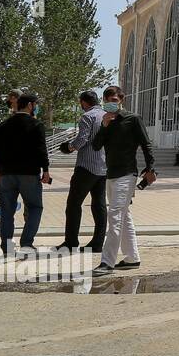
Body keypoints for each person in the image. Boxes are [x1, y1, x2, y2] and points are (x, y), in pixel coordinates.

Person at [91, 86, 154, 275]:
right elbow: (95, 146)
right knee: (124, 216)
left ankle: (107, 261)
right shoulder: (106, 121)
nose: (111, 103)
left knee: (115, 216)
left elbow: (146, 143)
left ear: (121, 100)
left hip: (127, 174)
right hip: (110, 174)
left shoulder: (132, 119)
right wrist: (104, 126)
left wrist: (150, 168)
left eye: (114, 100)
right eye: (107, 100)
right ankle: (132, 258)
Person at [0, 92, 51, 256]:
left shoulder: (3, 125)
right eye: (35, 104)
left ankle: (7, 247)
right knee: (35, 207)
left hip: (7, 174)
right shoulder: (36, 125)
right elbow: (41, 150)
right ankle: (26, 243)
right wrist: (45, 170)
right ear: (30, 105)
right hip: (29, 174)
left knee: (6, 211)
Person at [57, 90, 108, 251]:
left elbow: (82, 139)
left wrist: (69, 147)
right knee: (99, 205)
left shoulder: (88, 116)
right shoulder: (106, 115)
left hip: (86, 167)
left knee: (73, 204)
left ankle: (71, 242)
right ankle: (98, 242)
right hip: (103, 167)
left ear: (84, 102)